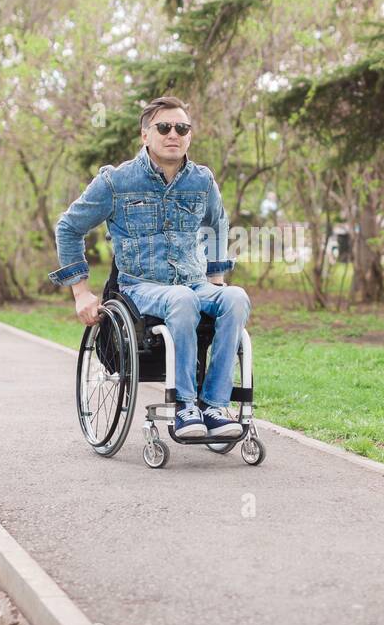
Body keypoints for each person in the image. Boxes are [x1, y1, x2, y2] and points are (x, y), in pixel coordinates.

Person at [48, 96, 249, 439]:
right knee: (182, 299)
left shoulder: (201, 181)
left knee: (235, 297)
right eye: (164, 127)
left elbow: (218, 224)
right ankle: (186, 406)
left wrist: (216, 279)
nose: (174, 134)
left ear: (189, 135)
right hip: (140, 286)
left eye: (182, 128)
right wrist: (80, 292)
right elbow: (69, 227)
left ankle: (214, 404)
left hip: (194, 281)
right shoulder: (116, 182)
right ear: (145, 135)